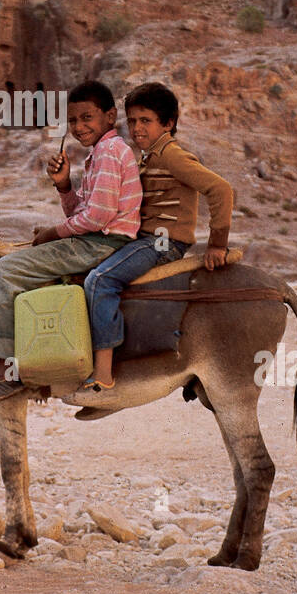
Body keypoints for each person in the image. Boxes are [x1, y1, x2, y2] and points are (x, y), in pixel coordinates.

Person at [0, 79, 142, 408]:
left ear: (110, 117)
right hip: (96, 238)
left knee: (6, 271)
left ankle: (10, 374)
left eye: (87, 118)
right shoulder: (101, 153)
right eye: (73, 120)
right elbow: (83, 210)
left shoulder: (108, 152)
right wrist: (64, 186)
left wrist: (53, 232)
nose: (79, 127)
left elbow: (98, 217)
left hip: (101, 243)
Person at [80, 81, 234, 391]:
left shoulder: (172, 155)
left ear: (169, 123)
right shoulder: (148, 156)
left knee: (100, 280)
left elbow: (221, 190)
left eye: (146, 121)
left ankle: (104, 373)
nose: (137, 128)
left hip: (161, 242)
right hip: (143, 239)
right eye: (133, 121)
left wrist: (217, 244)